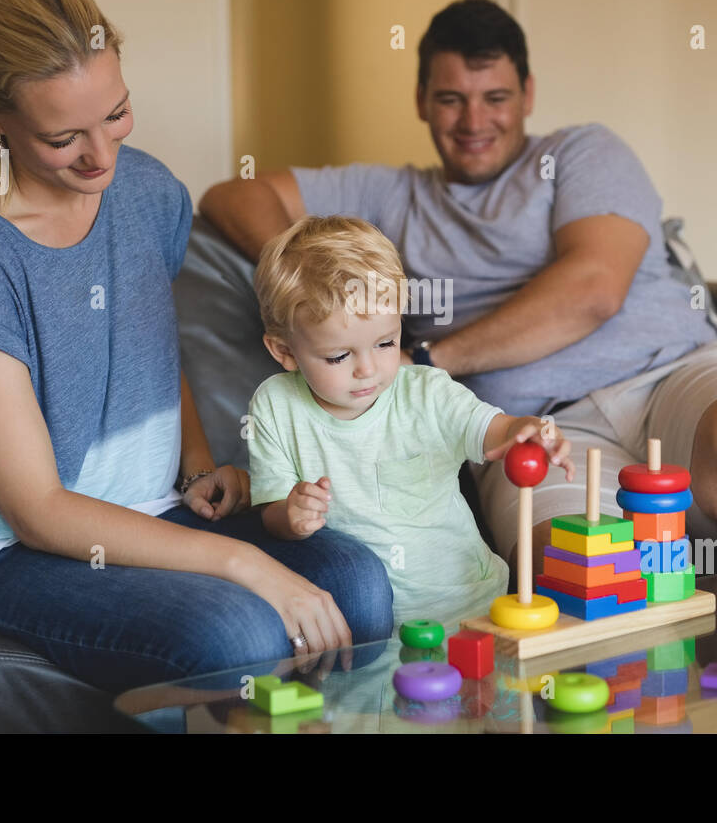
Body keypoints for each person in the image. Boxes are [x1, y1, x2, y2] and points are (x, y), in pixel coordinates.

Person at [200, 0, 717, 576]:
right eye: (451, 98)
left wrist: (429, 358)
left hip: (672, 375)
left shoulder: (582, 153)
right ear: (422, 100)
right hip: (532, 427)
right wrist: (315, 279)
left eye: (496, 97)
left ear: (529, 94)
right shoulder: (389, 193)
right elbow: (235, 195)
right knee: (569, 566)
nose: (473, 119)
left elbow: (595, 289)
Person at [0, 0, 392, 694]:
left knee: (358, 583)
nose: (102, 157)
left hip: (151, 511)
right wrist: (244, 561)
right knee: (238, 633)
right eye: (65, 137)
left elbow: (148, 351)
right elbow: (35, 509)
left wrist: (198, 469)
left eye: (117, 115)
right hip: (11, 547)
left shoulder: (148, 191)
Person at [246, 215, 575, 629]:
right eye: (339, 356)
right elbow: (272, 512)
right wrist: (291, 516)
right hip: (366, 625)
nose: (368, 369)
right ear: (284, 351)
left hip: (471, 605)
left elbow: (493, 429)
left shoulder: (427, 393)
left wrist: (525, 429)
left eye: (385, 343)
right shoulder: (274, 407)